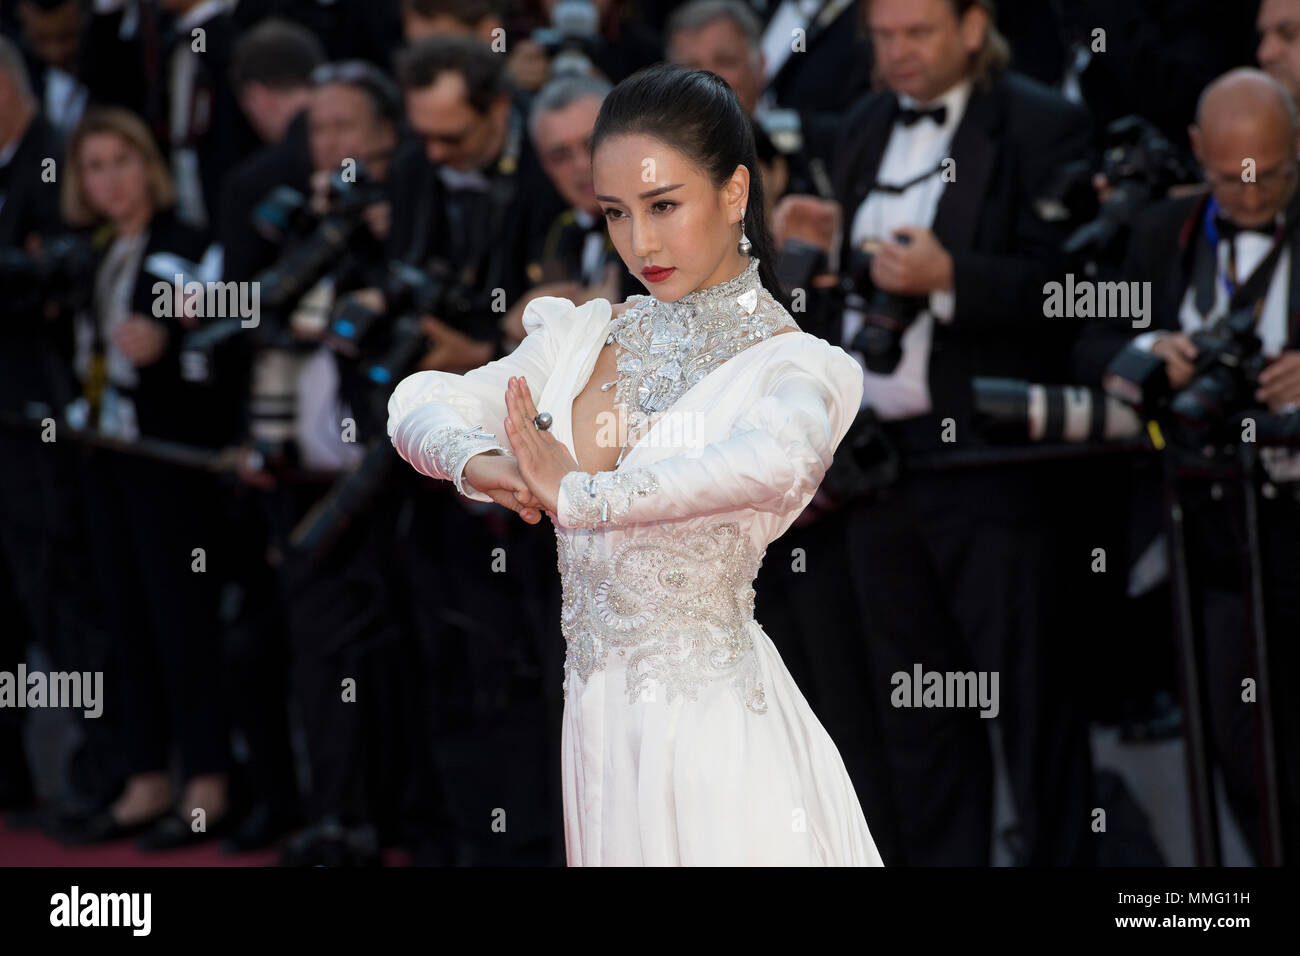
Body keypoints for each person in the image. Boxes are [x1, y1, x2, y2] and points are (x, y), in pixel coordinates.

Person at [388, 63, 884, 866]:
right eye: (616, 213)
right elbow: (416, 401)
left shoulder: (793, 366)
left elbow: (775, 462)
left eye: (664, 206)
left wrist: (584, 495)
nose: (640, 242)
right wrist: (483, 464)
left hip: (716, 734)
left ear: (733, 194)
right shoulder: (584, 337)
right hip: (597, 728)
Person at [1073, 69, 1300, 864]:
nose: (1248, 194)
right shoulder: (1156, 233)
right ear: (1199, 153)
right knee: (1231, 736)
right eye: (1229, 175)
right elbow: (1084, 337)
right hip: (1206, 527)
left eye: (1271, 175)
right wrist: (1147, 352)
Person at [51, 107, 239, 849]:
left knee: (181, 618)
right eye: (93, 166)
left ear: (149, 167)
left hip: (172, 462)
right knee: (124, 619)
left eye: (121, 162)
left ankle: (208, 780)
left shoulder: (187, 244)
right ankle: (145, 776)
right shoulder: (97, 250)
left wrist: (172, 335)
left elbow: (225, 340)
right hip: (107, 456)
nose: (109, 180)